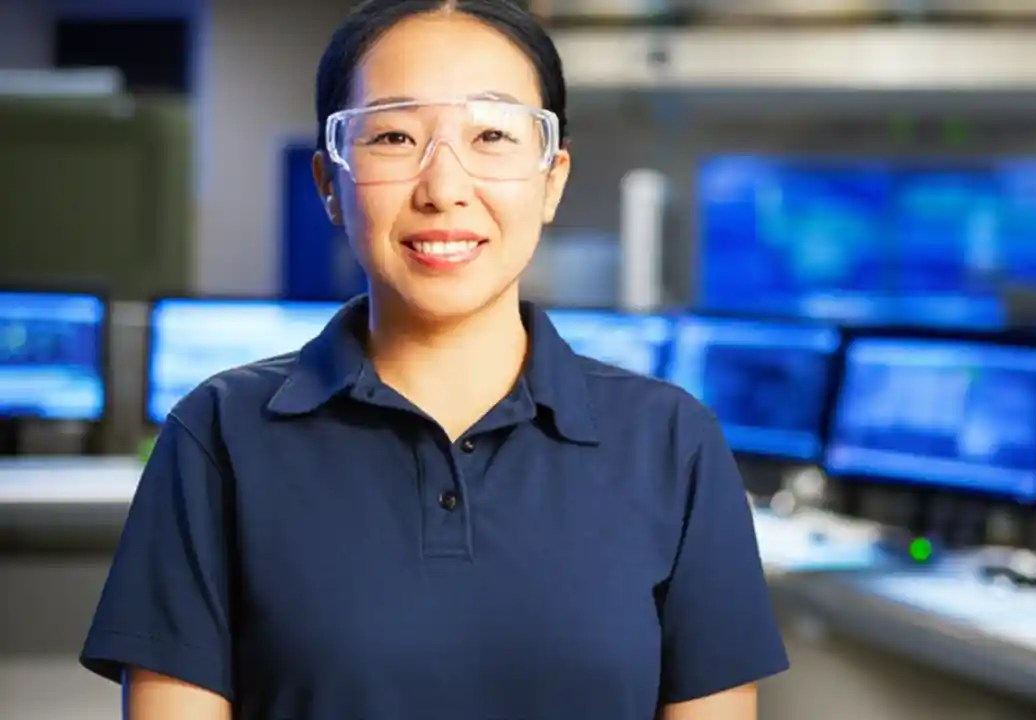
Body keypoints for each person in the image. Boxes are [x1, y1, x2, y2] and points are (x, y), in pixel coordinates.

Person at [79, 0, 789, 717]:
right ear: (330, 182)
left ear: (552, 179)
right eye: (393, 135)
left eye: (491, 135)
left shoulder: (672, 444)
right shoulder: (219, 435)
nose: (444, 189)